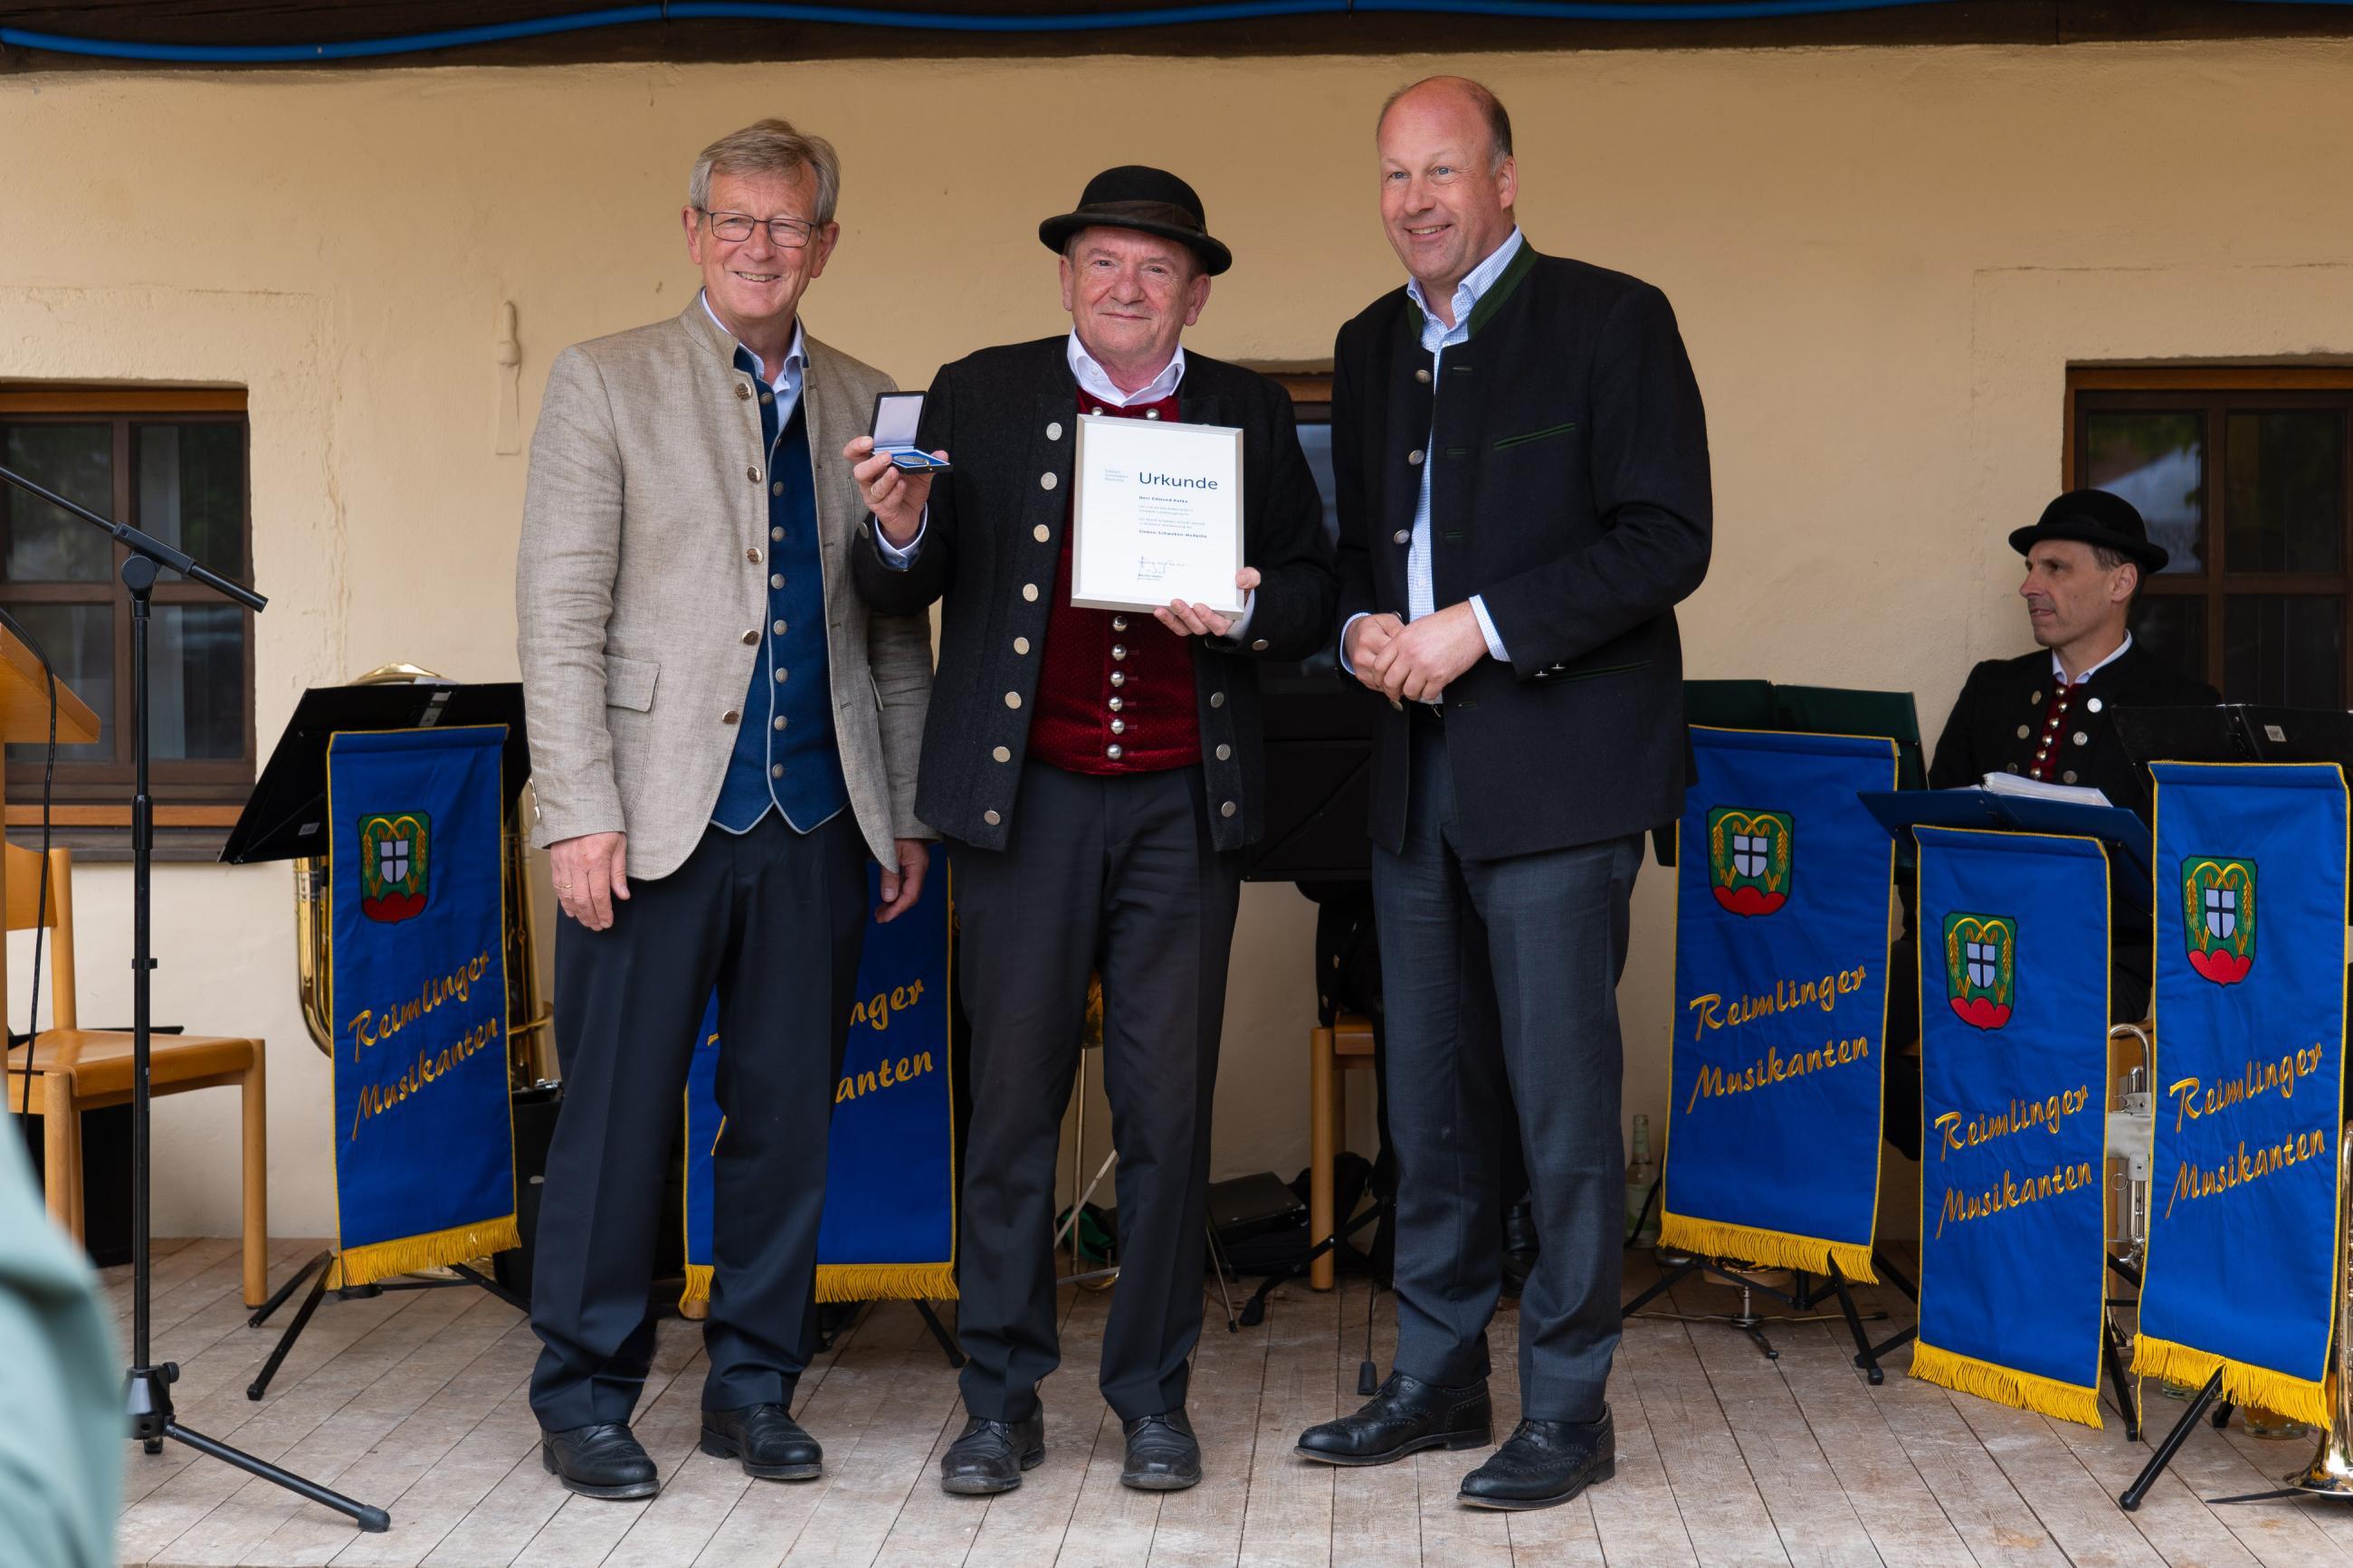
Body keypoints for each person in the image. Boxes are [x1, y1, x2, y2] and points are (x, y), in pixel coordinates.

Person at [846, 165, 1335, 1497]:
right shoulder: (981, 390)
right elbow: (905, 576)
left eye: (1157, 268)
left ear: (1199, 289)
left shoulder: (1240, 406)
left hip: (1184, 804)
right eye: (1104, 262)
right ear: (1067, 275)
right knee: (1008, 1115)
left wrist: (1245, 610)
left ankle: (1151, 1397)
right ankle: (999, 1399)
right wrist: (895, 529)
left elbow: (1311, 580)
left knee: (1167, 1117)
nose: (1128, 288)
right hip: (1028, 808)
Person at [1293, 76, 1711, 1513]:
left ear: (1507, 181)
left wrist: (1479, 623)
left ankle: (1570, 1404)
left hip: (1563, 779)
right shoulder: (1364, 346)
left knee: (1559, 1108)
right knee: (1435, 1102)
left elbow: (1667, 538)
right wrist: (1359, 631)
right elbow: (1359, 555)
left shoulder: (1612, 320)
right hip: (1416, 785)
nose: (1417, 200)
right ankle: (1437, 1373)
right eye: (1396, 176)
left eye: (1445, 171)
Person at [516, 118, 932, 1501]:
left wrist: (908, 813)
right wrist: (576, 808)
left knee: (785, 1121)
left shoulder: (874, 398)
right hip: (645, 823)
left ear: (826, 242)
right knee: (618, 1116)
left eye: (788, 224)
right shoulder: (604, 381)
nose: (763, 246)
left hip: (818, 818)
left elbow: (889, 635)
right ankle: (583, 1390)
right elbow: (559, 617)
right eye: (737, 222)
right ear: (695, 233)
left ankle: (753, 1382)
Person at [1920, 489, 2217, 1018]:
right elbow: (1928, 832)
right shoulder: (1991, 687)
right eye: (2031, 567)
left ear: (2120, 582)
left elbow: (2189, 877)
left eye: (2055, 568)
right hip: (1968, 945)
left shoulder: (2184, 708)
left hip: (2101, 964)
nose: (2028, 586)